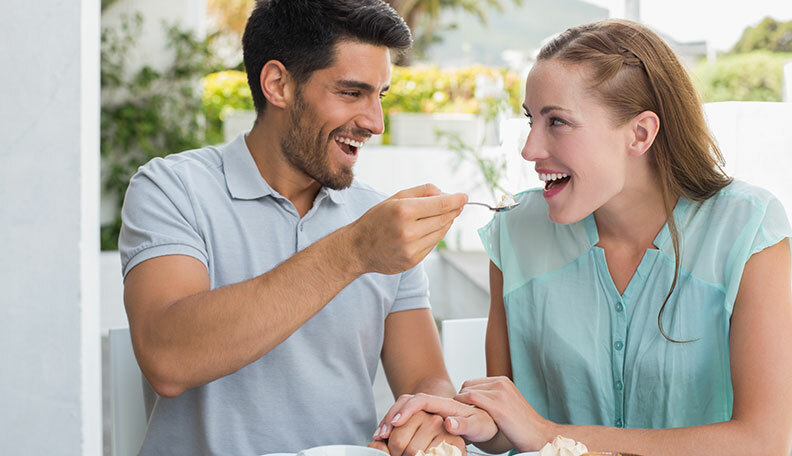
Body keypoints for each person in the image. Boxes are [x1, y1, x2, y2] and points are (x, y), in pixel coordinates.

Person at [375, 19, 792, 455]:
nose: (530, 148)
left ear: (640, 133)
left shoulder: (747, 229)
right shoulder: (515, 230)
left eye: (556, 121)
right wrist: (468, 418)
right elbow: (508, 430)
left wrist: (549, 435)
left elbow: (762, 442)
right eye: (531, 118)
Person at [119, 1, 469, 454]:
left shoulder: (378, 218)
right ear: (278, 84)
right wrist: (354, 251)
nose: (374, 122)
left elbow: (426, 378)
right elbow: (167, 358)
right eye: (350, 92)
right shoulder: (172, 189)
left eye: (379, 95)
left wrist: (430, 415)